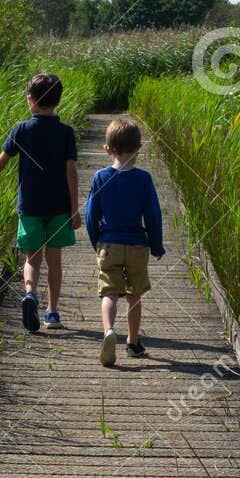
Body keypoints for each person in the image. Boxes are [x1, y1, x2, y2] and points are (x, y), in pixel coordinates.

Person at [0, 72, 80, 332]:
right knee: (55, 261)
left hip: (29, 207)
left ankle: (29, 293)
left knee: (31, 259)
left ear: (31, 99)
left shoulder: (22, 129)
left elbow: (1, 161)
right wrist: (74, 209)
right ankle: (52, 312)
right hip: (59, 207)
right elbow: (70, 172)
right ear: (58, 101)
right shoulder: (65, 133)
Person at [83, 117, 164, 366]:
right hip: (138, 246)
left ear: (107, 149)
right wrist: (157, 245)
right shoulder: (143, 179)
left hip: (110, 245)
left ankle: (108, 331)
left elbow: (90, 214)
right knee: (134, 296)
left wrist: (96, 239)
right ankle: (132, 342)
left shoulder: (100, 177)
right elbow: (153, 214)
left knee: (109, 293)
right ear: (139, 148)